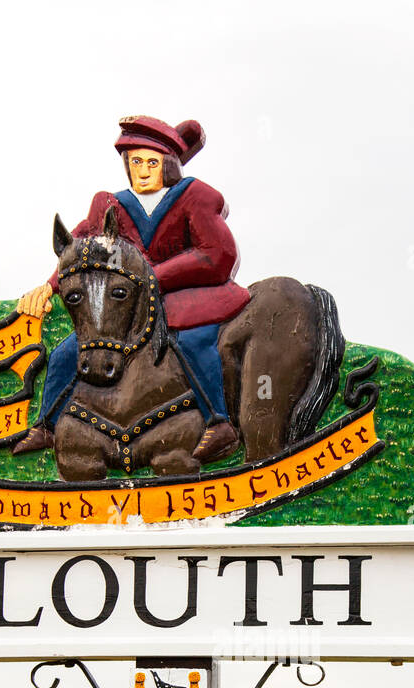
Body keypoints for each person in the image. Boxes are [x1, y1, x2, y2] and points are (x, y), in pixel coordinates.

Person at [14, 115, 250, 464]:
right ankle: (48, 424)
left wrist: (153, 275)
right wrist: (49, 287)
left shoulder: (197, 197)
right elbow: (78, 248)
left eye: (151, 162)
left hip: (184, 296)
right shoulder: (110, 204)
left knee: (192, 341)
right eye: (135, 161)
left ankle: (219, 421)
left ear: (169, 165)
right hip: (125, 300)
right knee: (68, 351)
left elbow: (218, 254)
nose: (142, 171)